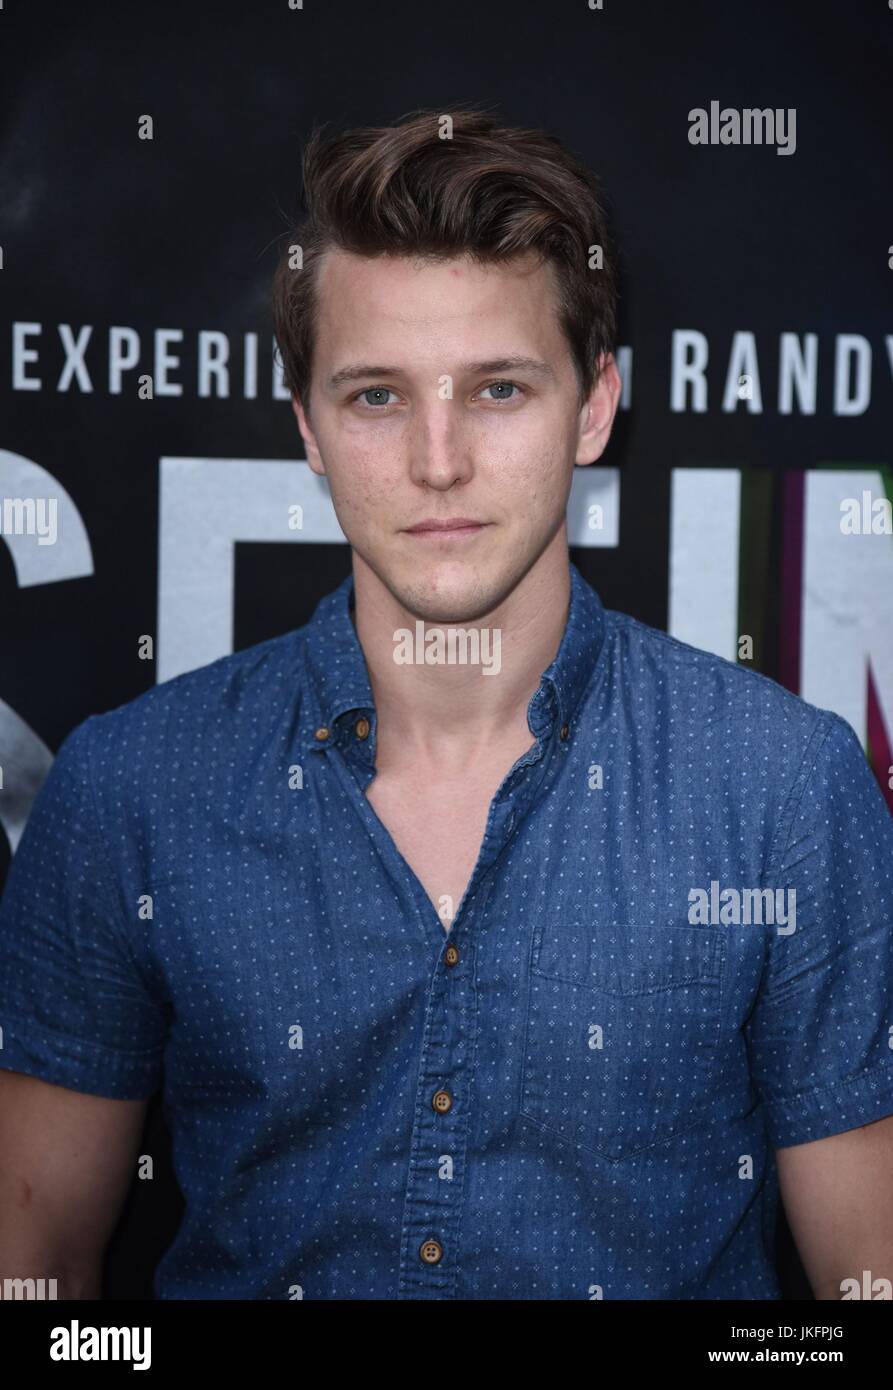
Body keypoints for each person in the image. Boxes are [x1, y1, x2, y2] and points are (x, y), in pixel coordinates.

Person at [1, 107, 892, 1302]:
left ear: (592, 407)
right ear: (308, 427)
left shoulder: (782, 784)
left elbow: (863, 1285)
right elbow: (37, 1270)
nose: (436, 460)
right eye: (375, 396)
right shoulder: (128, 789)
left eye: (497, 390)